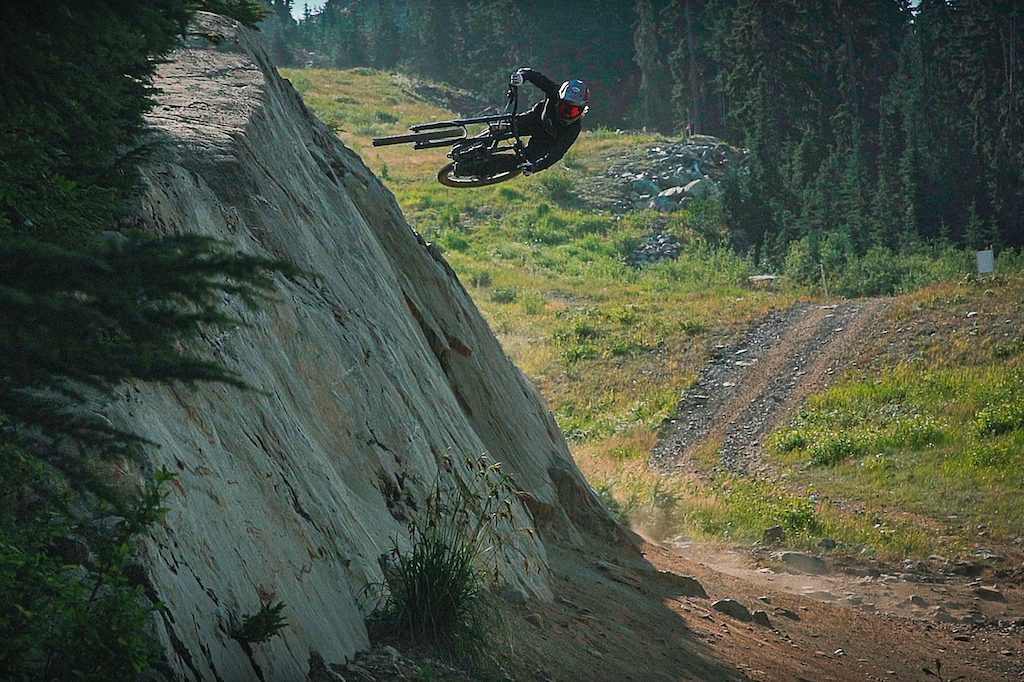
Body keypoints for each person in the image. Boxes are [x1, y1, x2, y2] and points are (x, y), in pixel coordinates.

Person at [474, 68, 589, 178]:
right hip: (535, 120)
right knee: (503, 128)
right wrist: (521, 77)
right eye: (565, 108)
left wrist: (535, 167)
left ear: (582, 109)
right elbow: (533, 75)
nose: (567, 114)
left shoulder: (574, 128)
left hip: (545, 141)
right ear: (558, 101)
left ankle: (479, 169)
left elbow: (557, 153)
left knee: (523, 162)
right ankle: (475, 145)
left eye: (574, 111)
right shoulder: (554, 91)